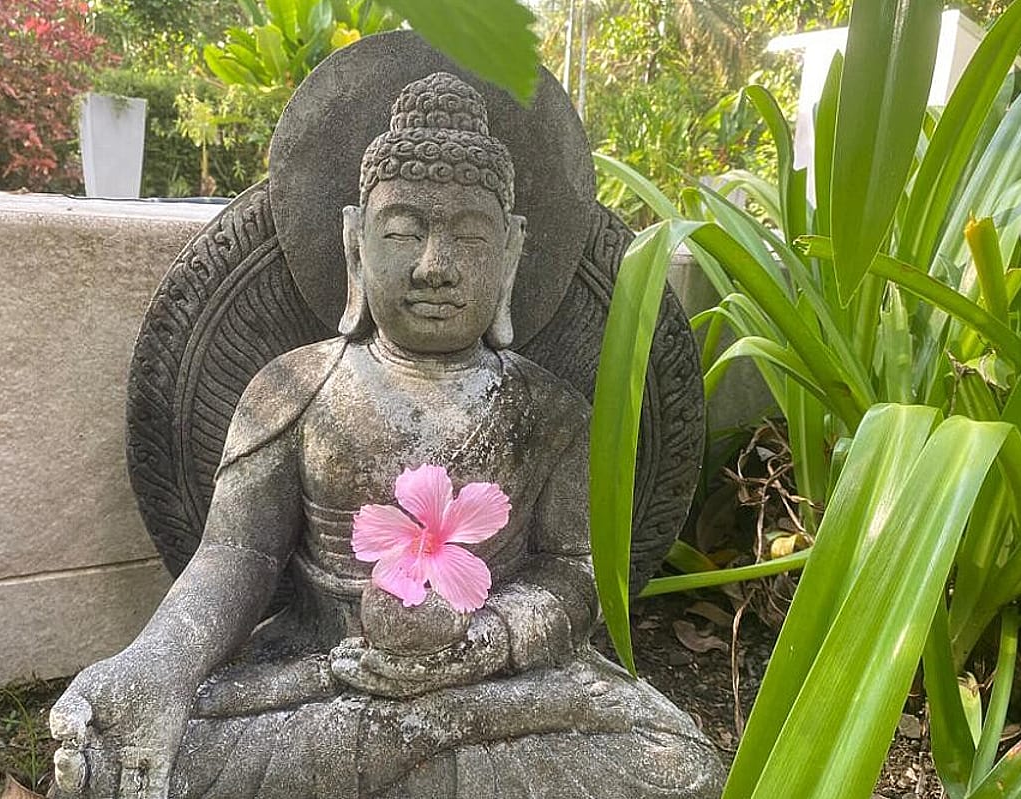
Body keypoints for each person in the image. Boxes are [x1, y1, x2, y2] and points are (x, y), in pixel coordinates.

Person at [50, 72, 722, 799]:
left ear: (512, 253)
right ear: (355, 244)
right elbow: (235, 558)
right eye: (403, 232)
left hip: (492, 687)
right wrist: (158, 664)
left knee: (676, 763)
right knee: (121, 757)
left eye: (470, 236)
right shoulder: (293, 389)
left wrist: (484, 641)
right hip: (327, 678)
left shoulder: (547, 408)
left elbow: (574, 569)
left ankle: (401, 749)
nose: (434, 267)